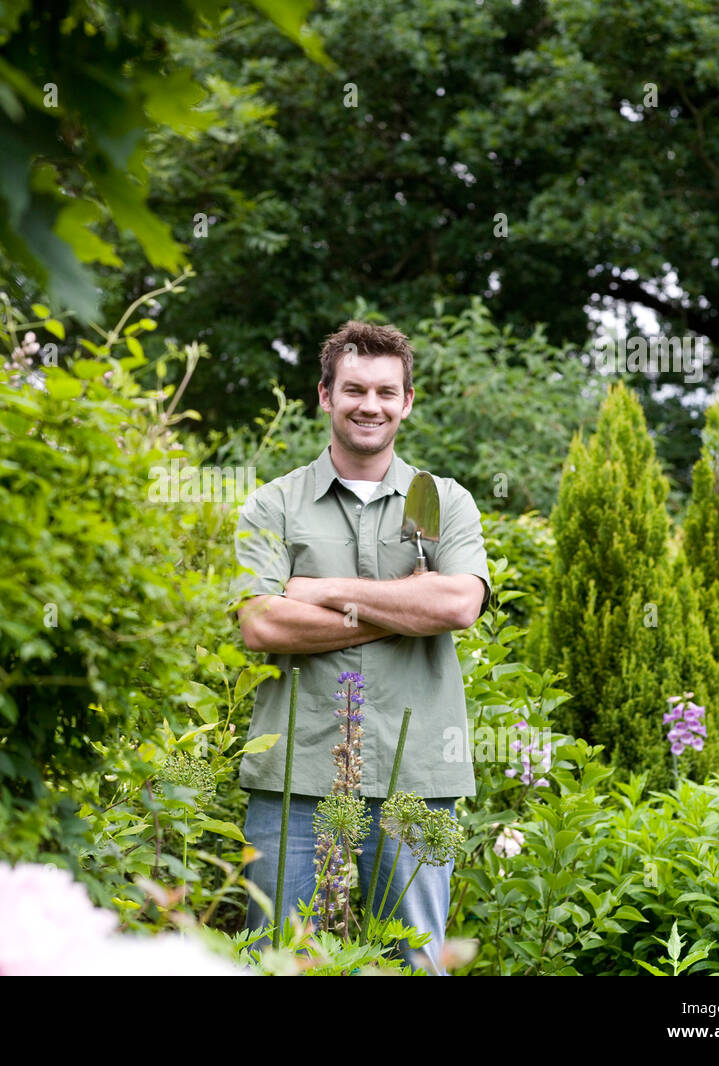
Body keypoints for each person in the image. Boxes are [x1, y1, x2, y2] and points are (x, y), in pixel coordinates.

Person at [229, 320, 491, 975]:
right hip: (293, 779)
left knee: (411, 964)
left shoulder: (445, 501)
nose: (368, 405)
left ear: (407, 400)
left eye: (384, 391)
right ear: (324, 395)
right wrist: (406, 605)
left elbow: (458, 604)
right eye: (352, 390)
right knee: (277, 961)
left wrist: (317, 591)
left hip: (417, 783)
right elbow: (261, 625)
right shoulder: (273, 506)